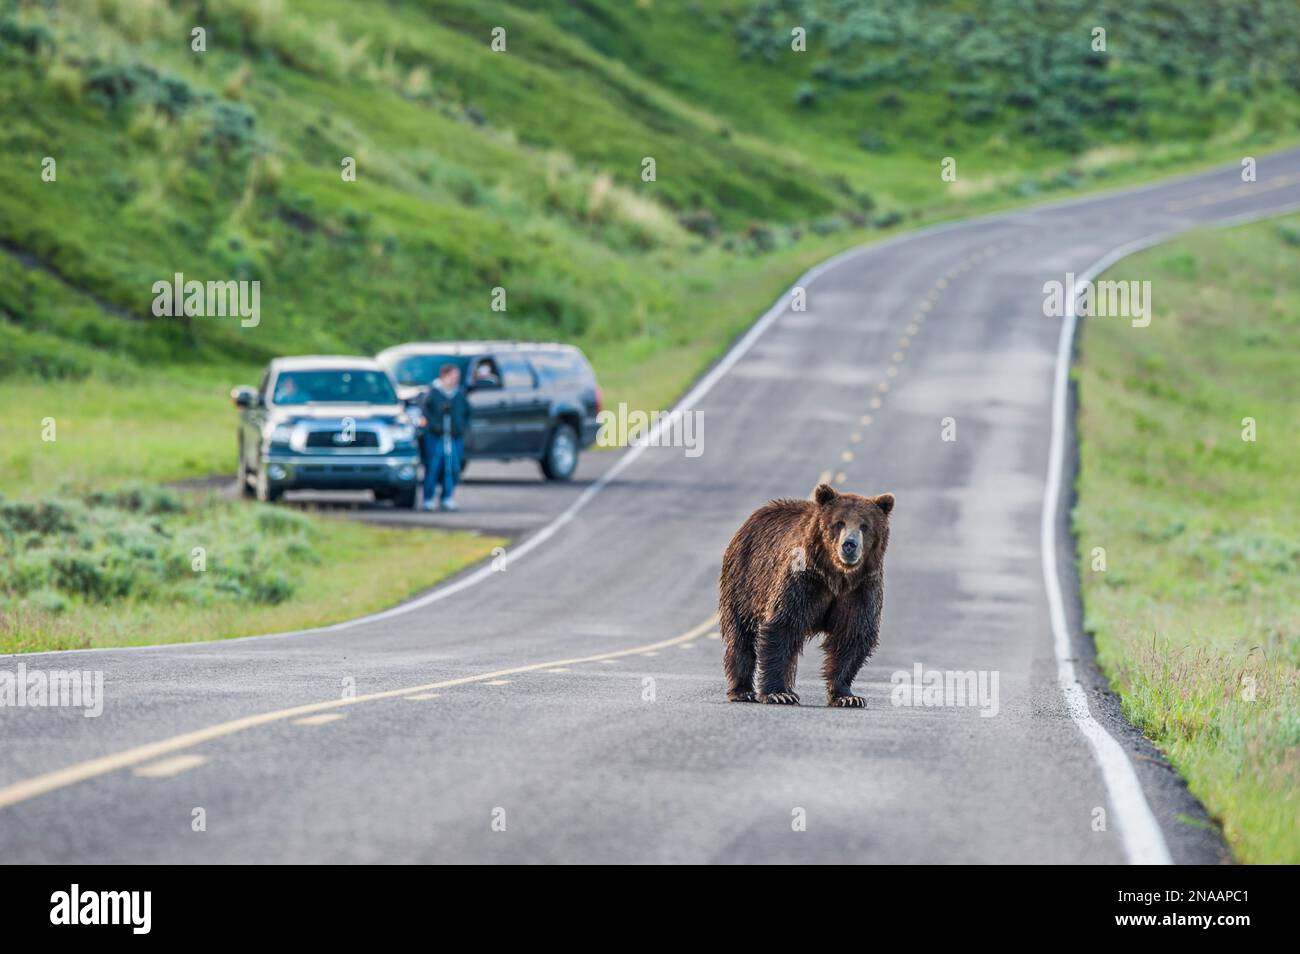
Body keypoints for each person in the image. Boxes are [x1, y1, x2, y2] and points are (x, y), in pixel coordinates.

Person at [419, 363, 470, 511]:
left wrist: (461, 428)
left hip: (454, 436)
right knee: (433, 467)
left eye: (457, 377)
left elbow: (467, 413)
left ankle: (447, 497)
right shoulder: (433, 394)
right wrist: (435, 427)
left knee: (453, 468)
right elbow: (425, 414)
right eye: (453, 376)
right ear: (444, 376)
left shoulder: (459, 394)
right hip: (436, 437)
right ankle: (428, 498)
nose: (455, 380)